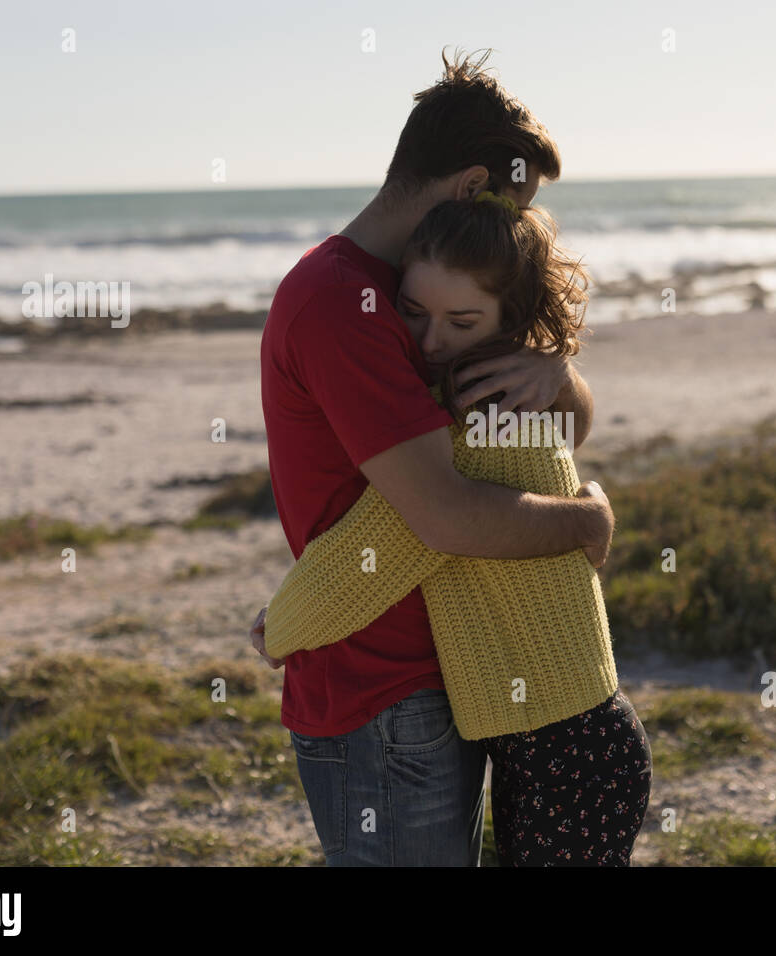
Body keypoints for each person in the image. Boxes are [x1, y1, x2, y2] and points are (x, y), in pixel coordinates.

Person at [253, 50, 614, 867]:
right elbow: (445, 515)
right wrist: (588, 521)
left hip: (453, 674)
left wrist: (556, 373)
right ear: (467, 186)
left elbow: (561, 429)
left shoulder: (425, 293)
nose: (509, 237)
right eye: (510, 210)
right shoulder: (347, 302)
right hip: (380, 696)